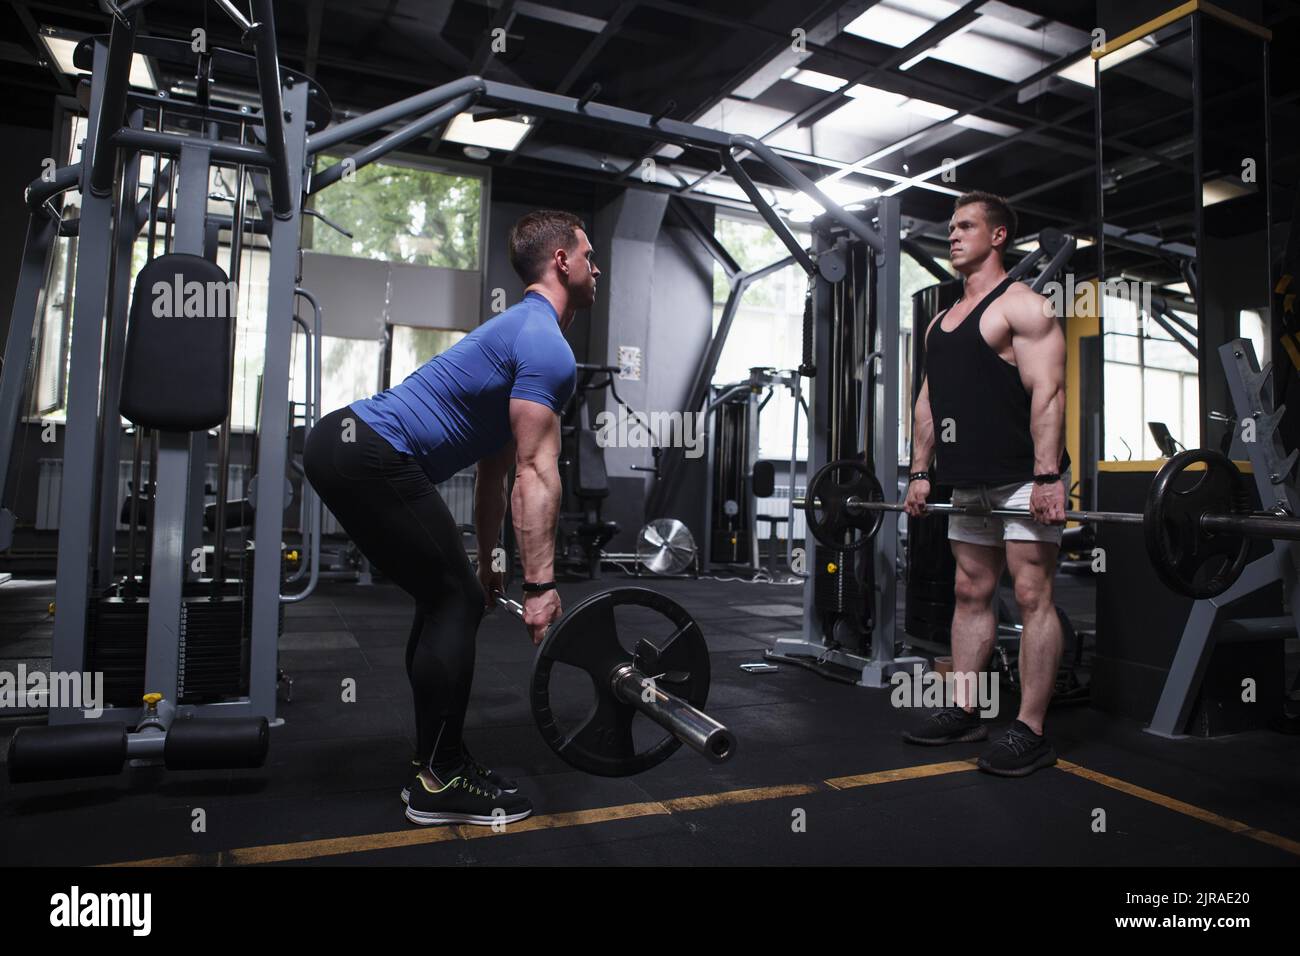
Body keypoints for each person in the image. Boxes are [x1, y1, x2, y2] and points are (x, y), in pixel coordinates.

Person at [303, 210, 600, 824]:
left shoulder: (517, 333)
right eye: (590, 254)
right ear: (562, 262)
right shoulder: (546, 345)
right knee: (453, 602)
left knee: (450, 597)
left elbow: (495, 472)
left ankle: (438, 764)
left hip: (344, 444)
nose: (599, 268)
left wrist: (493, 561)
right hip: (369, 451)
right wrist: (541, 587)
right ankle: (440, 778)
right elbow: (536, 475)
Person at [902, 191, 1070, 777]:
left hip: (1024, 478)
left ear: (997, 237)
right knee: (970, 592)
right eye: (950, 227)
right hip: (966, 481)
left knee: (1031, 597)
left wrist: (1048, 476)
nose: (952, 235)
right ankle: (967, 709)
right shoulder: (939, 323)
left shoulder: (1022, 304)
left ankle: (1030, 727)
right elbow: (928, 402)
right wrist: (921, 470)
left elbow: (1048, 392)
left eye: (966, 226)